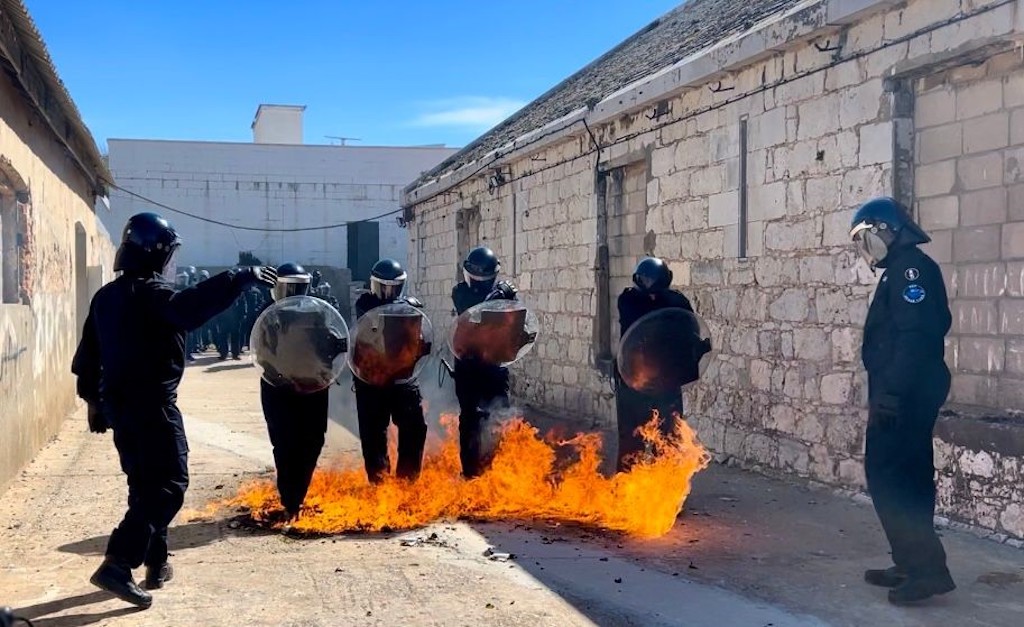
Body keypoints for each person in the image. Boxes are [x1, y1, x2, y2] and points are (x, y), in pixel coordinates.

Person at [71, 212, 276, 609]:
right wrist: (240, 275)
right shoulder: (150, 293)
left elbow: (87, 357)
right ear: (154, 254)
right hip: (152, 409)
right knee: (168, 486)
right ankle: (118, 563)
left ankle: (156, 561)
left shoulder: (107, 297)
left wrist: (94, 404)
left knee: (144, 484)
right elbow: (189, 308)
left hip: (121, 409)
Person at [850, 197, 955, 605]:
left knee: (893, 479)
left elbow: (915, 337)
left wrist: (892, 394)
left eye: (867, 238)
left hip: (906, 392)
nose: (866, 247)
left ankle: (928, 570)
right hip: (901, 390)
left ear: (886, 231)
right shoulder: (898, 270)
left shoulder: (912, 270)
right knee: (900, 477)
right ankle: (910, 561)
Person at [258, 263, 337, 519]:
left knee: (313, 440)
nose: (292, 293)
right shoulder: (267, 315)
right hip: (278, 387)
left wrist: (335, 348)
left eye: (298, 287)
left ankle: (298, 494)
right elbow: (261, 353)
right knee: (284, 443)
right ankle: (290, 499)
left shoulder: (318, 314)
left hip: (313, 385)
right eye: (288, 287)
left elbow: (329, 345)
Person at [615, 257, 695, 473]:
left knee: (669, 433)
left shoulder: (677, 302)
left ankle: (665, 483)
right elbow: (637, 326)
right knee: (633, 435)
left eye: (654, 285)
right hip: (635, 377)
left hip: (666, 377)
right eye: (646, 283)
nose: (650, 291)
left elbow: (689, 331)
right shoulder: (629, 300)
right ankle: (627, 484)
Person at [353, 259, 429, 483]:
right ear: (373, 284)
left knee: (415, 427)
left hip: (402, 377)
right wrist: (405, 303)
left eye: (393, 288)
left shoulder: (406, 308)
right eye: (383, 287)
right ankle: (379, 484)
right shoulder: (365, 303)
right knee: (374, 433)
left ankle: (407, 480)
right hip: (371, 379)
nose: (388, 293)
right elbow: (376, 313)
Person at [450, 246, 519, 478]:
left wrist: (507, 295)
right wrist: (497, 295)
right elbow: (472, 311)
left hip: (494, 367)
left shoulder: (503, 294)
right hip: (468, 367)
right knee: (470, 418)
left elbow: (515, 321)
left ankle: (492, 470)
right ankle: (470, 472)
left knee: (500, 417)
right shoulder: (460, 292)